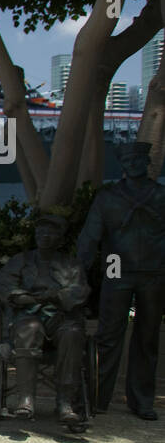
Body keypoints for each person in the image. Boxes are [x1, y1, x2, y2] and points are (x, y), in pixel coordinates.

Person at [76, 142, 165, 420]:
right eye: (128, 160)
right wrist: (76, 276)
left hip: (154, 272)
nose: (133, 164)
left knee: (147, 339)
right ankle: (98, 397)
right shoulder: (108, 197)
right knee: (108, 336)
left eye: (138, 159)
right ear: (123, 165)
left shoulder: (161, 196)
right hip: (117, 272)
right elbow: (90, 238)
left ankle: (141, 401)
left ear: (146, 161)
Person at [0, 215, 90, 424]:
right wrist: (26, 297)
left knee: (72, 334)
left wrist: (55, 296)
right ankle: (26, 399)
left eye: (50, 233)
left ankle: (65, 402)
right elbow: (4, 287)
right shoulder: (21, 261)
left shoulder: (71, 265)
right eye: (40, 233)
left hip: (60, 317)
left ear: (60, 239)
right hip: (27, 316)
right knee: (29, 329)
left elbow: (79, 292)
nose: (44, 237)